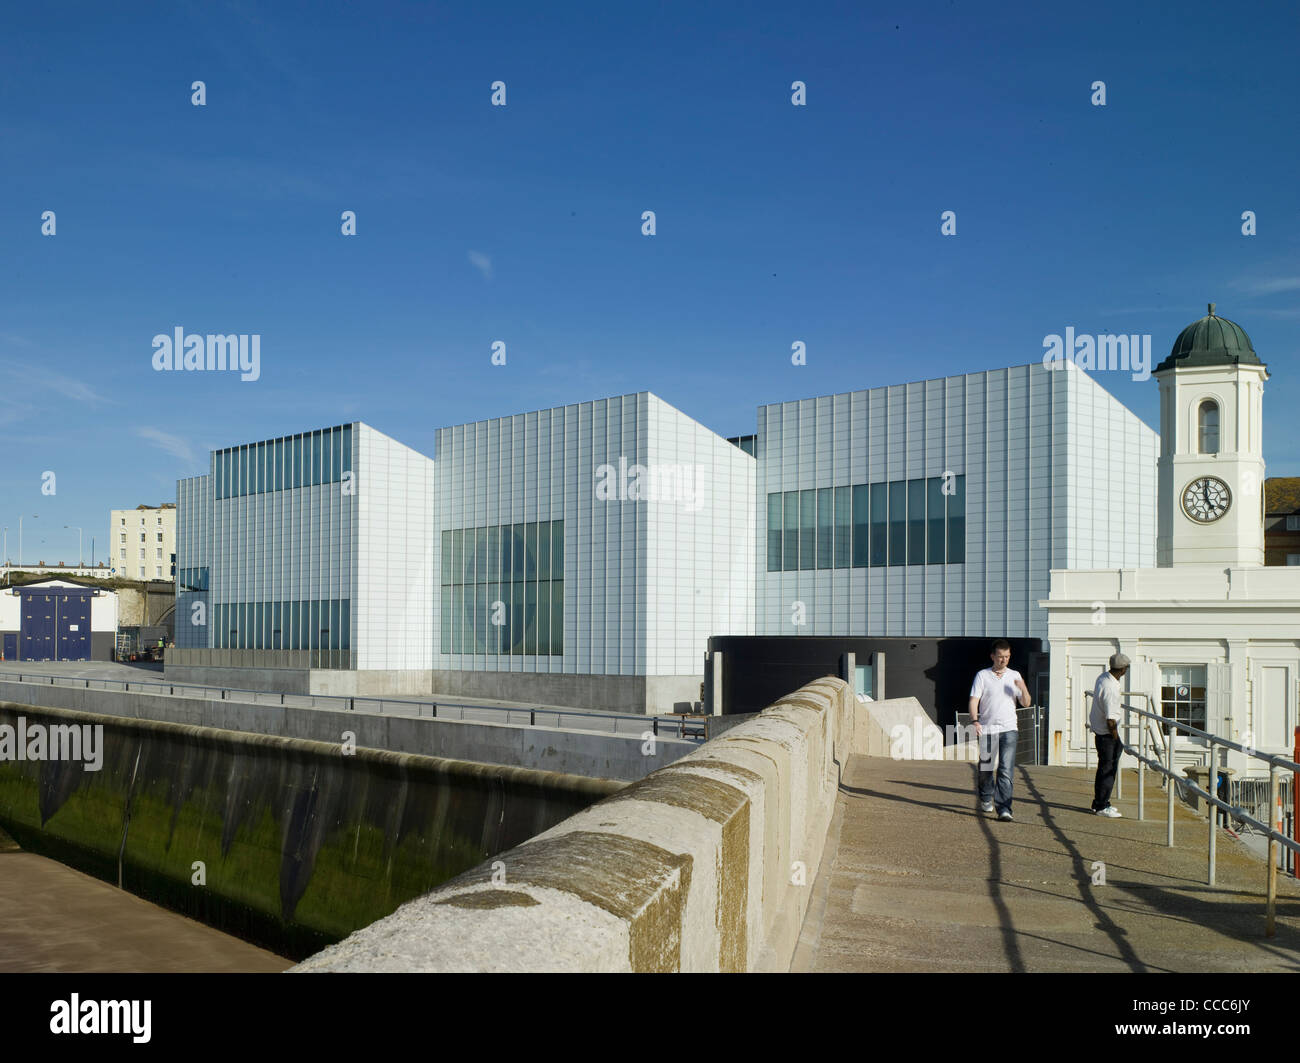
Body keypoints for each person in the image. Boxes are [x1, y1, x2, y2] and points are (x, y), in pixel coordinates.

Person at [969, 639, 1031, 821]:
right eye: (1001, 657)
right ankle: (986, 797)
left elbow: (1026, 703)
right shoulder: (982, 675)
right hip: (987, 728)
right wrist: (975, 721)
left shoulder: (1015, 675)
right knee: (986, 768)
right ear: (993, 656)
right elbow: (974, 700)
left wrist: (1023, 688)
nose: (1004, 660)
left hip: (1009, 728)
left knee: (1005, 768)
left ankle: (1004, 808)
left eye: (1007, 657)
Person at [1091, 653, 1129, 817]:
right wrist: (1116, 740)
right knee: (1108, 770)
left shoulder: (1103, 677)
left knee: (1103, 768)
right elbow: (1111, 721)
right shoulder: (1111, 688)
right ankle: (1101, 806)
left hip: (1100, 731)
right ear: (1122, 669)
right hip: (1107, 734)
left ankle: (1100, 802)